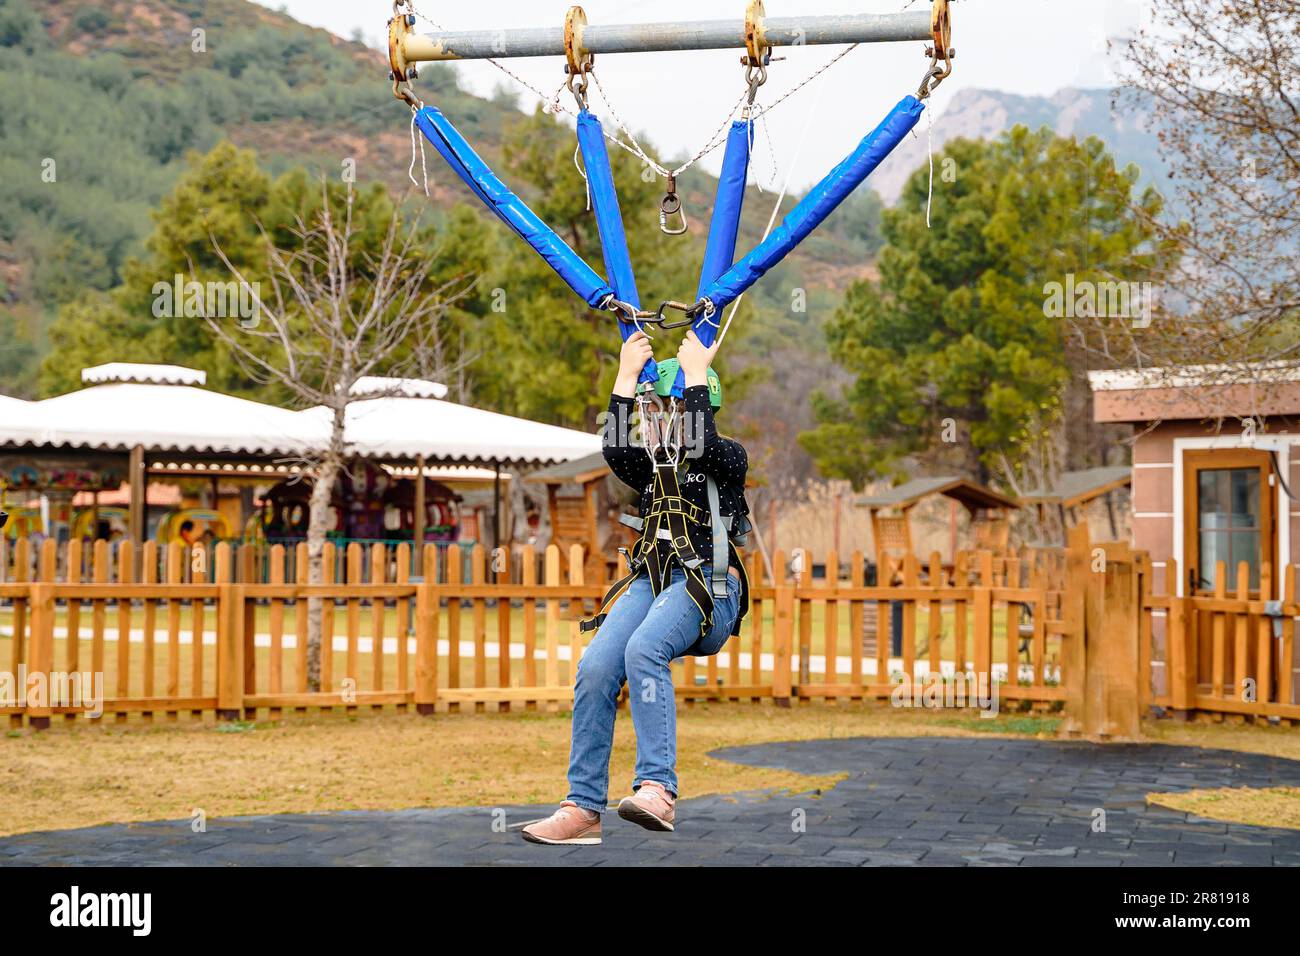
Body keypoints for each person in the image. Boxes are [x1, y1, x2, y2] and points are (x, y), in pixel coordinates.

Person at [523, 330, 751, 846]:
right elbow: (616, 448)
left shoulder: (728, 456)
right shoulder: (651, 469)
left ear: (697, 406)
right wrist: (625, 378)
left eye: (669, 411)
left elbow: (702, 442)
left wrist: (693, 373)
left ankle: (658, 787)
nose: (662, 422)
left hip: (710, 589)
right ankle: (582, 807)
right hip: (656, 580)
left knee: (644, 648)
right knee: (597, 664)